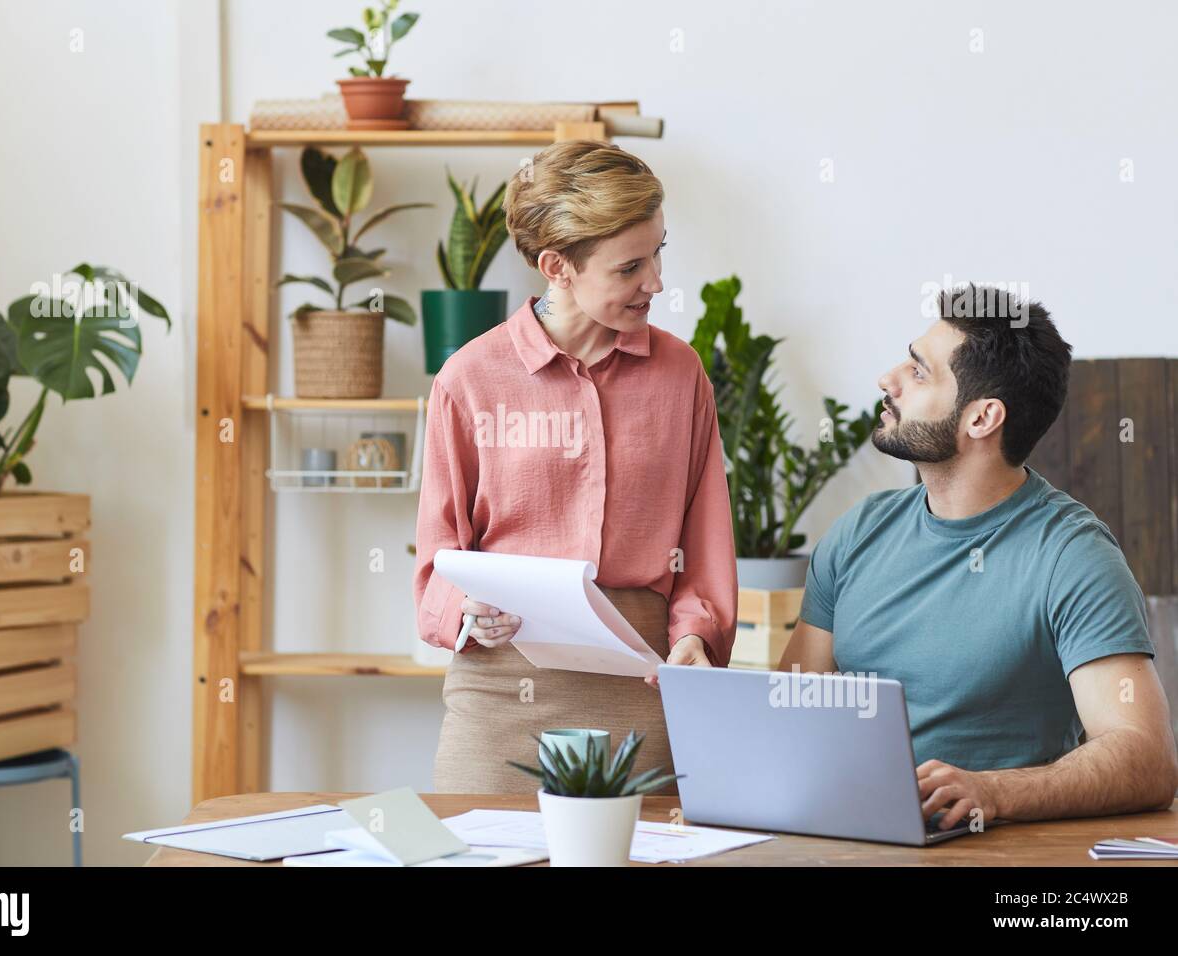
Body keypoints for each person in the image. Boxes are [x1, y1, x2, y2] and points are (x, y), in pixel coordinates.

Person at [781, 283, 1178, 828]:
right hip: (851, 835)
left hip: (994, 850)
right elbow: (790, 709)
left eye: (919, 372)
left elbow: (1147, 757)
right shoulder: (856, 534)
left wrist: (991, 792)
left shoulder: (1073, 556)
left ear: (981, 418)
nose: (888, 380)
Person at [413, 140, 738, 794]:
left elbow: (703, 548)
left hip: (643, 693)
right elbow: (437, 559)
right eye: (630, 268)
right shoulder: (469, 378)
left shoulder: (681, 375)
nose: (656, 283)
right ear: (558, 267)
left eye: (659, 253)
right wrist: (468, 605)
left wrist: (696, 639)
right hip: (500, 694)